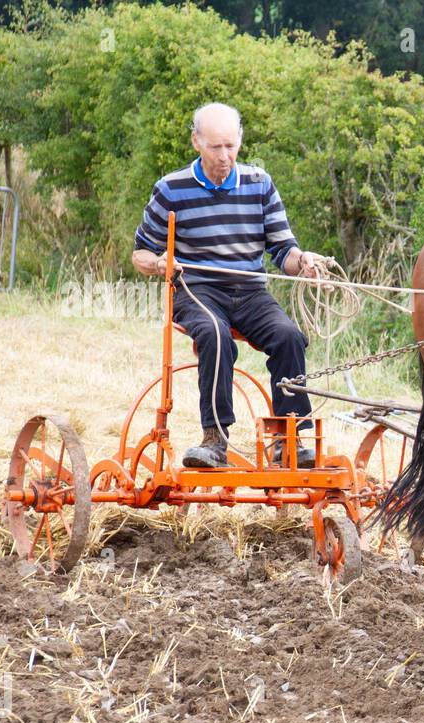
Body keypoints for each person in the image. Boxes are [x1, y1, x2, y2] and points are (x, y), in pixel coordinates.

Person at [131, 102, 324, 468]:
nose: (225, 156)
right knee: (215, 335)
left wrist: (304, 262)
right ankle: (215, 440)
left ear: (240, 141)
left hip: (250, 291)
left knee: (290, 337)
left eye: (231, 146)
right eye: (216, 147)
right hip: (196, 290)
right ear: (196, 142)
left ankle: (288, 438)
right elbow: (140, 253)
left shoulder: (260, 184)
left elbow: (283, 249)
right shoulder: (171, 189)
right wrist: (160, 263)